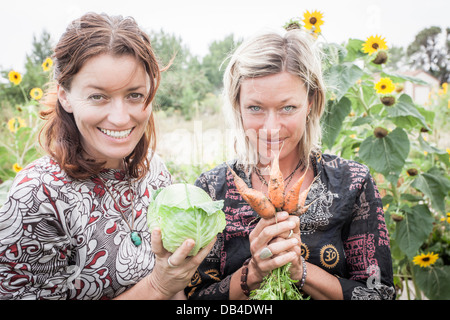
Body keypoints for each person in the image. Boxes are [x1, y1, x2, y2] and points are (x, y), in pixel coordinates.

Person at [0, 12, 214, 300]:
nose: (120, 117)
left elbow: (175, 288)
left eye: (134, 95)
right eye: (98, 96)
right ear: (65, 95)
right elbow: (164, 284)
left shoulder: (154, 171)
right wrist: (158, 287)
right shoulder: (37, 196)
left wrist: (171, 285)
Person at [185, 29, 396, 300]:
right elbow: (192, 300)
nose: (271, 128)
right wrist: (254, 273)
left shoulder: (352, 182)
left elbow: (379, 294)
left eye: (287, 108)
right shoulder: (211, 190)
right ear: (237, 104)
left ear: (310, 102)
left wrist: (300, 270)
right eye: (255, 108)